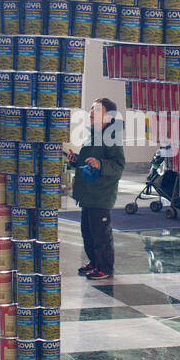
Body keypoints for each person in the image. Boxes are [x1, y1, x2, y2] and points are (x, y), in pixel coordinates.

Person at [67, 97, 125, 280]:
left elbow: (118, 165)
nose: (92, 113)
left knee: (101, 234)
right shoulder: (93, 135)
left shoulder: (112, 138)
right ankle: (94, 262)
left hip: (101, 194)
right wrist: (76, 160)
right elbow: (89, 160)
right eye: (92, 109)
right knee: (88, 232)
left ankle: (105, 267)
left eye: (98, 110)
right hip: (88, 193)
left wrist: (100, 164)